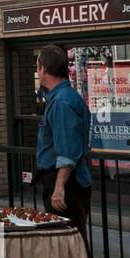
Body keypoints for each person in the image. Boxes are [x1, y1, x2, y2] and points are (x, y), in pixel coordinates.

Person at [35, 44, 93, 244]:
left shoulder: (62, 102)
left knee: (69, 243)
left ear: (43, 69)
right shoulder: (60, 98)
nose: (37, 71)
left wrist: (59, 188)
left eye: (37, 67)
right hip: (65, 181)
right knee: (65, 242)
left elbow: (67, 151)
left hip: (68, 184)